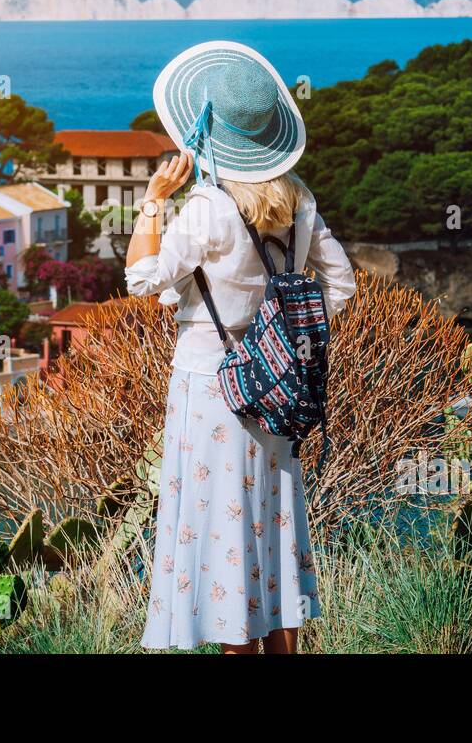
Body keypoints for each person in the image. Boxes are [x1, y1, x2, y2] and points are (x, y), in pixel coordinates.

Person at [126, 41, 356, 654]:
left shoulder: (207, 207)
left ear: (209, 133)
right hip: (276, 390)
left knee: (225, 541)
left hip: (211, 392)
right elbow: (341, 284)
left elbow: (142, 279)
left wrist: (153, 201)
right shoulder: (299, 199)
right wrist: (278, 339)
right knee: (272, 536)